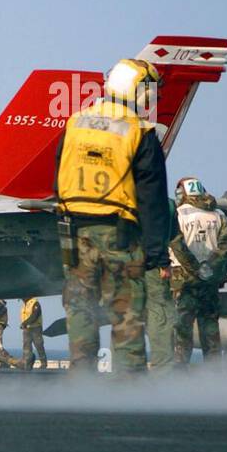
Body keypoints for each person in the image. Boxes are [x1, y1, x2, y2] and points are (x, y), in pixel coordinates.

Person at [54, 57, 169, 373]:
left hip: (75, 234)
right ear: (139, 90)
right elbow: (152, 200)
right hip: (120, 236)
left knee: (80, 310)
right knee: (126, 311)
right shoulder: (139, 131)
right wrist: (157, 256)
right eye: (151, 90)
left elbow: (58, 179)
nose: (154, 97)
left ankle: (82, 382)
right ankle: (128, 385)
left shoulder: (76, 123)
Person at [168, 177, 227, 365]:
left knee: (182, 328)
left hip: (182, 279)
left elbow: (177, 245)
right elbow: (224, 247)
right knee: (210, 327)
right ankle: (213, 371)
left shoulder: (178, 215)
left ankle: (180, 370)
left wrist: (195, 269)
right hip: (210, 279)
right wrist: (208, 267)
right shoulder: (218, 215)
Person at [144, 198, 180, 372]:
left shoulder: (118, 195)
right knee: (161, 316)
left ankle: (124, 373)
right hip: (154, 266)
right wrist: (164, 262)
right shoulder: (168, 203)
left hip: (121, 266)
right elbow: (170, 235)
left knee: (124, 317)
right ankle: (163, 373)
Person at [19, 296, 47, 369]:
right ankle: (27, 363)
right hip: (26, 329)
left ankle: (43, 363)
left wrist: (25, 323)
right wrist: (24, 324)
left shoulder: (35, 303)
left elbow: (35, 315)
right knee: (26, 347)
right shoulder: (25, 305)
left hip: (36, 328)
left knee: (39, 345)